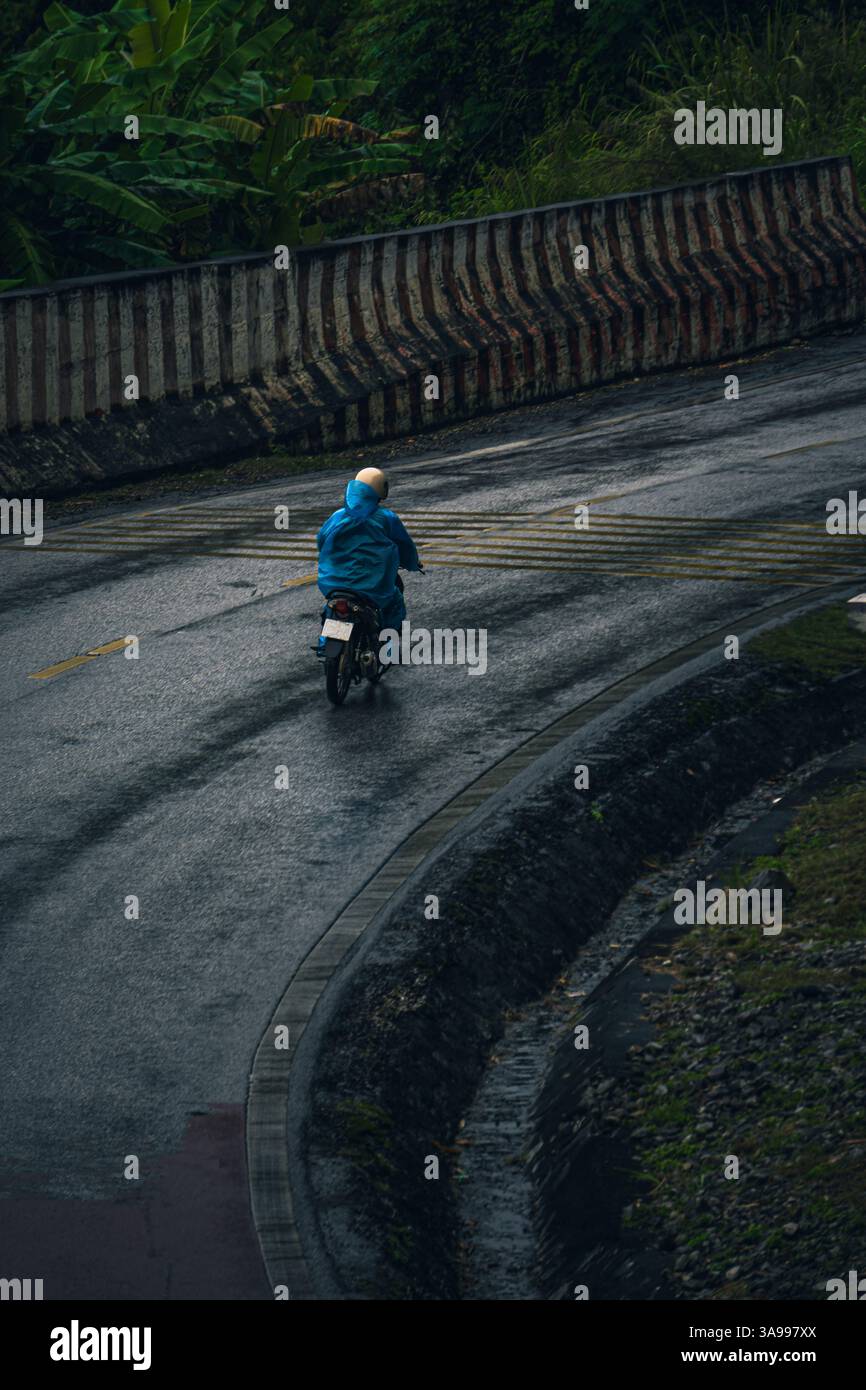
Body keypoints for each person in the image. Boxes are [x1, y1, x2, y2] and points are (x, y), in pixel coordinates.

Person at [316, 467, 422, 634]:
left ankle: (325, 644)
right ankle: (388, 647)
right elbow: (404, 545)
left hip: (333, 582)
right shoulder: (387, 518)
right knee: (394, 602)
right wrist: (413, 563)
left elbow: (321, 541)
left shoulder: (336, 516)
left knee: (331, 611)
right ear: (381, 489)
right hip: (371, 584)